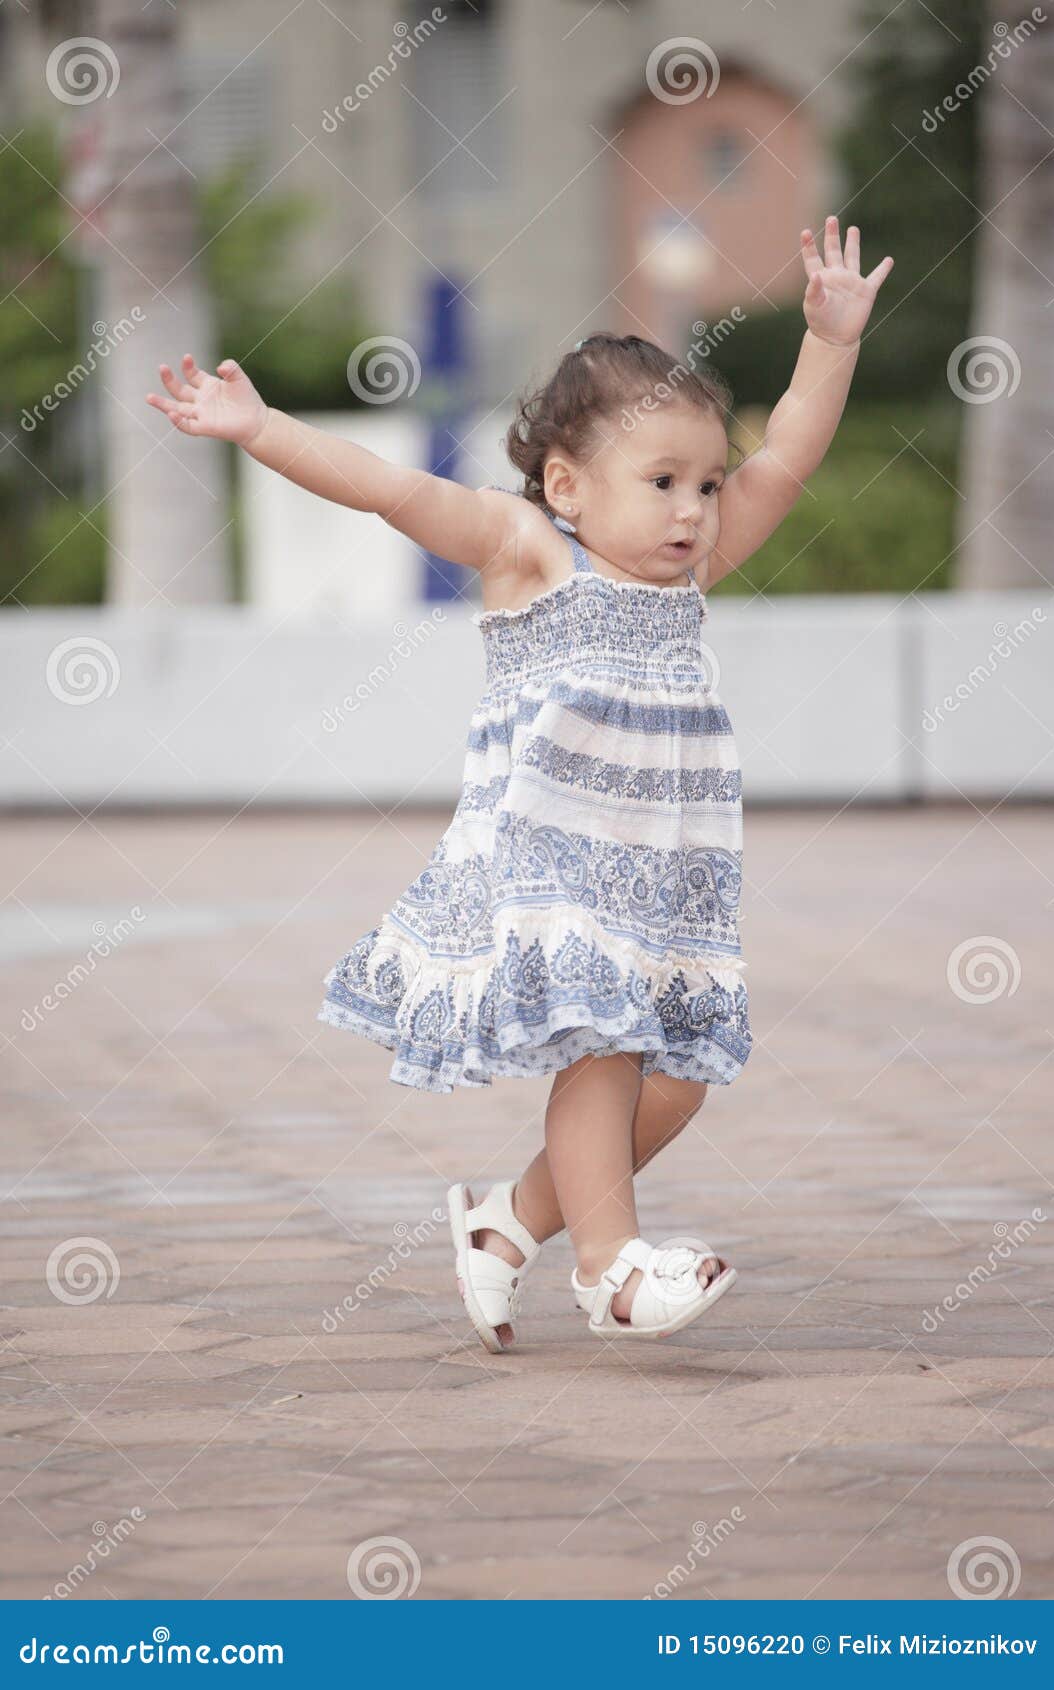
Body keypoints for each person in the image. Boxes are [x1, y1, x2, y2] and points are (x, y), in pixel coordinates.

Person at [146, 214, 892, 1350]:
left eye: (704, 483)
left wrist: (828, 344)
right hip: (546, 852)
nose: (692, 509)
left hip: (660, 868)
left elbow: (784, 453)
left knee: (673, 1077)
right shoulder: (529, 549)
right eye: (661, 481)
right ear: (566, 483)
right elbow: (389, 490)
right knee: (600, 1043)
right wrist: (259, 429)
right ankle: (612, 1272)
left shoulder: (692, 565)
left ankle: (503, 1223)